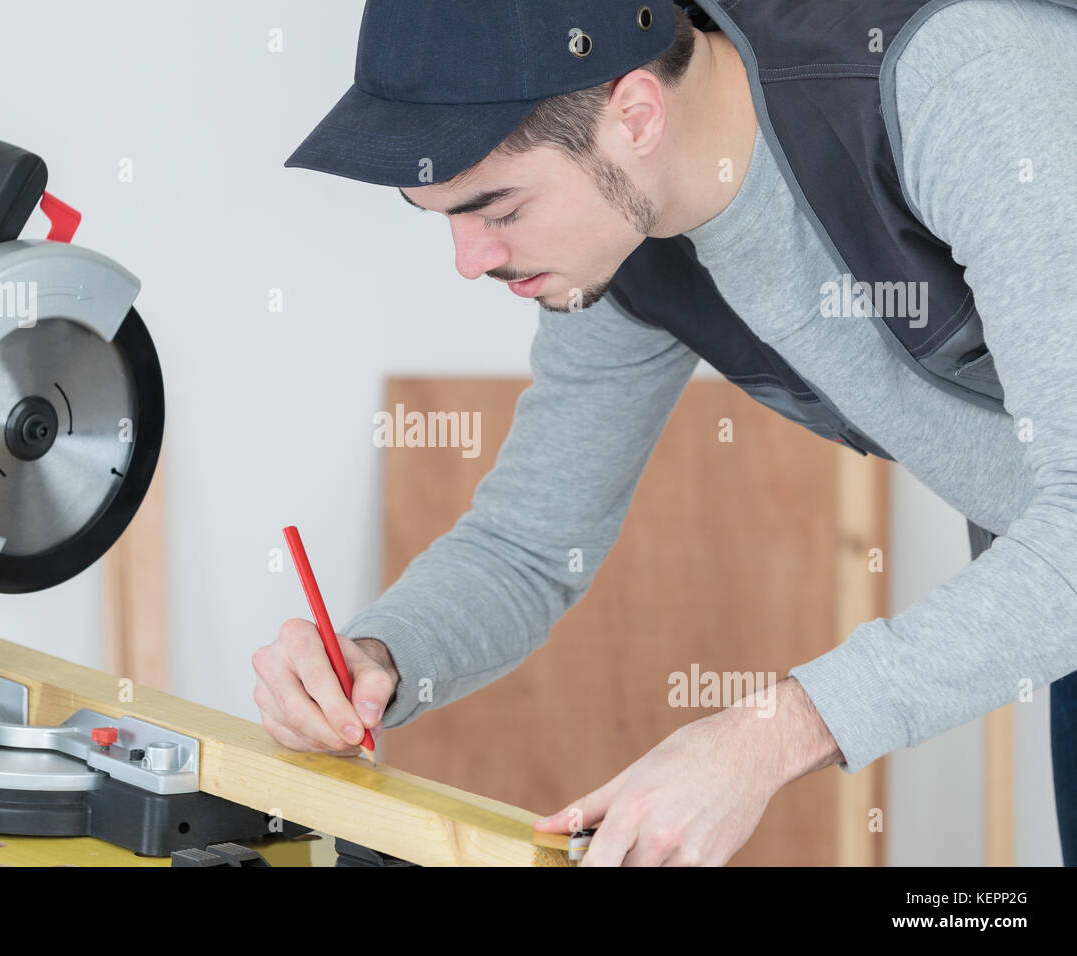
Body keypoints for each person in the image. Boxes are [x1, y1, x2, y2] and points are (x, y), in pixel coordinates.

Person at [252, 0, 1077, 865]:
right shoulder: (622, 244)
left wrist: (765, 736)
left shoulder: (958, 85)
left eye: (496, 207)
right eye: (444, 216)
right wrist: (380, 657)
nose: (470, 259)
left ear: (635, 114)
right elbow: (530, 546)